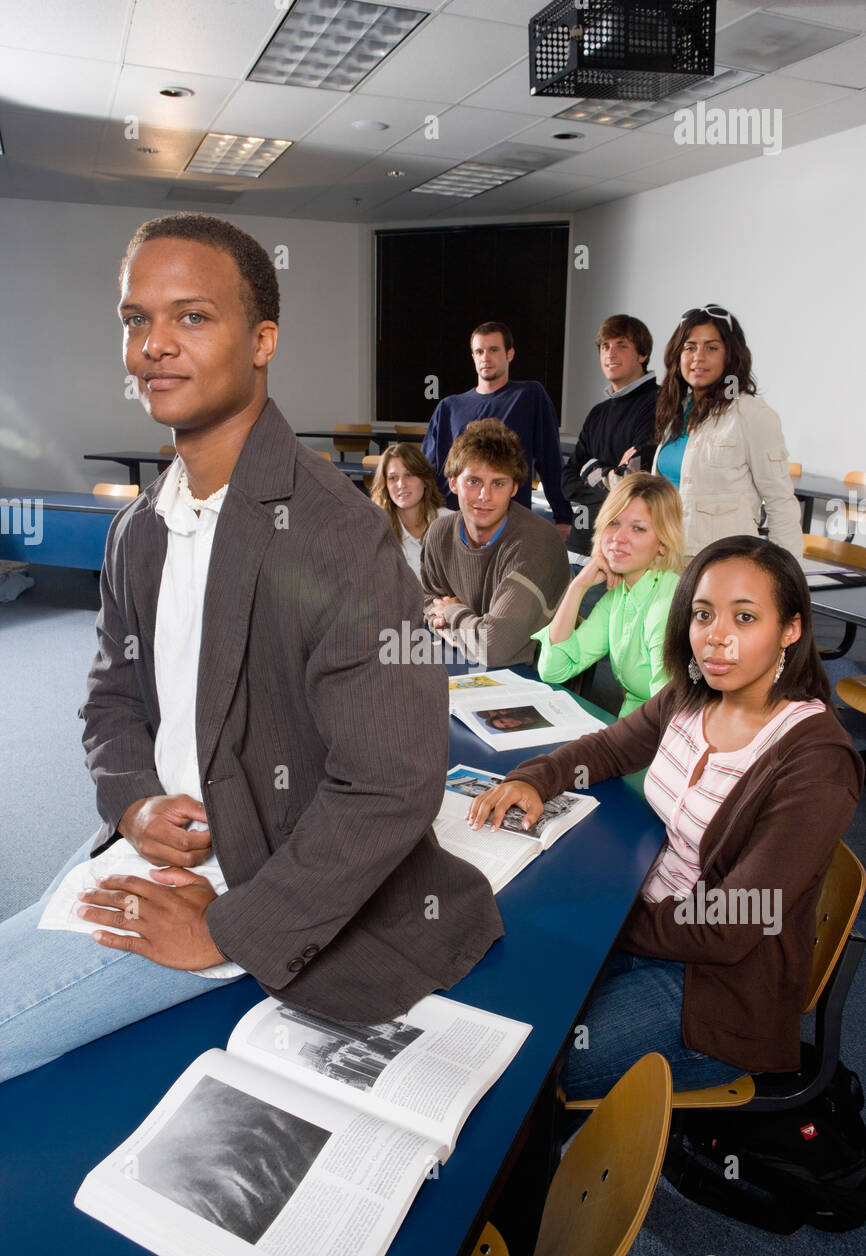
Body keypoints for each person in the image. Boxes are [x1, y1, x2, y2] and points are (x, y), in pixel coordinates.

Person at [0, 213, 504, 1084]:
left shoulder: (335, 537)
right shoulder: (138, 531)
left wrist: (225, 931)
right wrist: (132, 802)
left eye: (192, 317)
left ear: (263, 339)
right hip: (161, 845)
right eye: (136, 319)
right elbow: (110, 702)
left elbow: (393, 784)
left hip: (264, 887)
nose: (154, 346)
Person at [467, 535, 862, 1097]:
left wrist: (607, 921)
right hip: (642, 913)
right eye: (703, 614)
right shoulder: (694, 692)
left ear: (791, 629)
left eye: (745, 617)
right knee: (504, 983)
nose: (715, 638)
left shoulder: (816, 760)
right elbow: (606, 751)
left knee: (529, 1065)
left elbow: (730, 924)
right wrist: (537, 777)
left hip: (715, 985)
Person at [653, 305, 802, 561]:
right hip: (665, 558)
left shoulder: (750, 413)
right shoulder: (676, 410)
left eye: (711, 348)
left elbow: (781, 503)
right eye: (690, 347)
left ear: (730, 355)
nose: (698, 357)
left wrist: (787, 580)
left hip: (720, 565)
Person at [421, 418, 570, 668]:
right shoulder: (440, 532)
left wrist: (451, 613)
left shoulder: (537, 543)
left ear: (514, 488)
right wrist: (449, 624)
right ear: (453, 482)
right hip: (466, 664)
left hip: (534, 680)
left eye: (498, 483)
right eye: (474, 481)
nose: (484, 496)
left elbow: (494, 647)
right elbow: (428, 603)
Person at [533, 473, 684, 717]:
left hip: (657, 740)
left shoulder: (667, 604)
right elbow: (553, 670)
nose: (618, 538)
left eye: (638, 528)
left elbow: (669, 714)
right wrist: (577, 587)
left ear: (663, 544)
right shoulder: (619, 596)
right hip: (631, 730)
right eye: (613, 523)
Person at [422, 320, 572, 536]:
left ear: (509, 354)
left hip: (510, 523)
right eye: (479, 351)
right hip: (455, 522)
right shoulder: (449, 407)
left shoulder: (529, 396)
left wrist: (563, 516)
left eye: (493, 350)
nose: (486, 357)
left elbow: (550, 460)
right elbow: (428, 469)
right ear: (473, 357)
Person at [560, 314, 658, 558]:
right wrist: (608, 475)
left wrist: (591, 470)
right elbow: (568, 479)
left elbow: (633, 478)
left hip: (623, 550)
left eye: (621, 345)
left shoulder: (659, 402)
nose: (610, 354)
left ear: (642, 355)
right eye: (605, 346)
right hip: (581, 545)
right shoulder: (598, 412)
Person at [369, 442, 448, 580]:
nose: (401, 484)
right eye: (393, 478)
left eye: (409, 475)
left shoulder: (450, 522)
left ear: (425, 480)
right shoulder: (375, 530)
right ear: (385, 486)